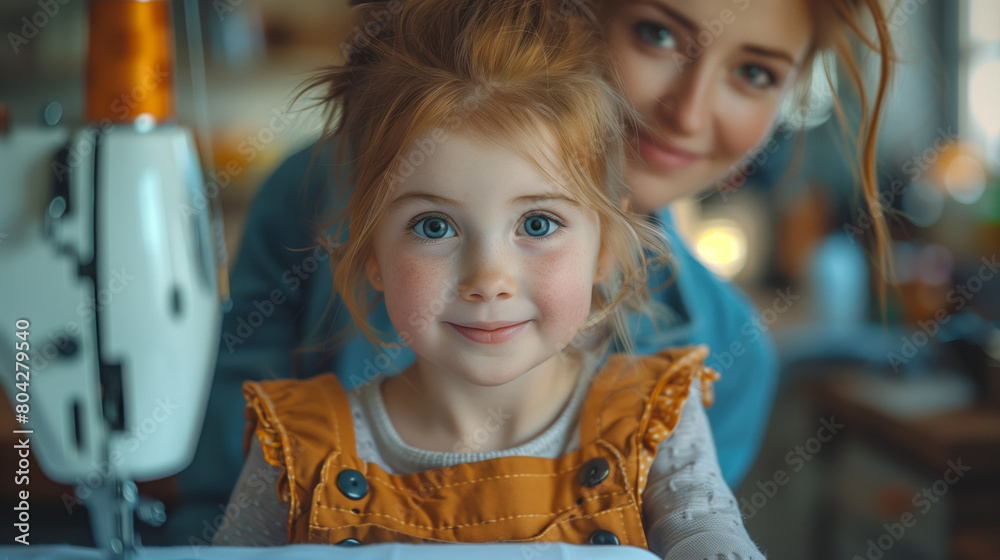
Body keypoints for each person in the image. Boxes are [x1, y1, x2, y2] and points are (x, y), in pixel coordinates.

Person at [172, 0, 895, 546]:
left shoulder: (722, 363)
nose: (688, 109)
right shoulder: (317, 196)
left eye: (754, 72)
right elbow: (212, 510)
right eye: (659, 34)